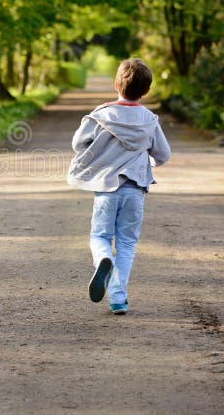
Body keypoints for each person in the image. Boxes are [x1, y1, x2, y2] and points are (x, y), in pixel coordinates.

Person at [66, 58, 171, 315]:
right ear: (145, 91)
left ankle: (103, 258)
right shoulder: (149, 119)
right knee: (126, 243)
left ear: (116, 84)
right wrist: (148, 160)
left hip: (105, 187)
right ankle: (118, 298)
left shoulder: (100, 115)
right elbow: (163, 154)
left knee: (100, 236)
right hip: (134, 190)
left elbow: (78, 144)